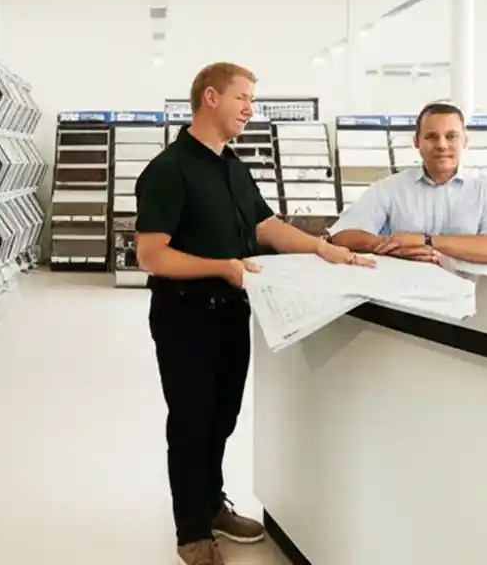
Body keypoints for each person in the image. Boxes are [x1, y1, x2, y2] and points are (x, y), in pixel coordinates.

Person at [134, 62, 374, 565]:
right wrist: (220, 267)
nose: (250, 109)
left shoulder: (232, 165)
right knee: (191, 421)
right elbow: (151, 255)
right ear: (210, 98)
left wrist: (321, 248)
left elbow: (264, 225)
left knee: (222, 417)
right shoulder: (168, 169)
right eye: (243, 98)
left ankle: (211, 503)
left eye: (252, 100)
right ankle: (192, 533)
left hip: (232, 313)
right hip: (185, 317)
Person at [328, 101, 487, 266]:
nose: (442, 145)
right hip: (404, 295)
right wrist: (392, 246)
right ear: (416, 141)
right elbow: (340, 234)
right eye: (431, 137)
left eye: (451, 136)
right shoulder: (390, 188)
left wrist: (425, 241)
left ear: (465, 141)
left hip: (472, 296)